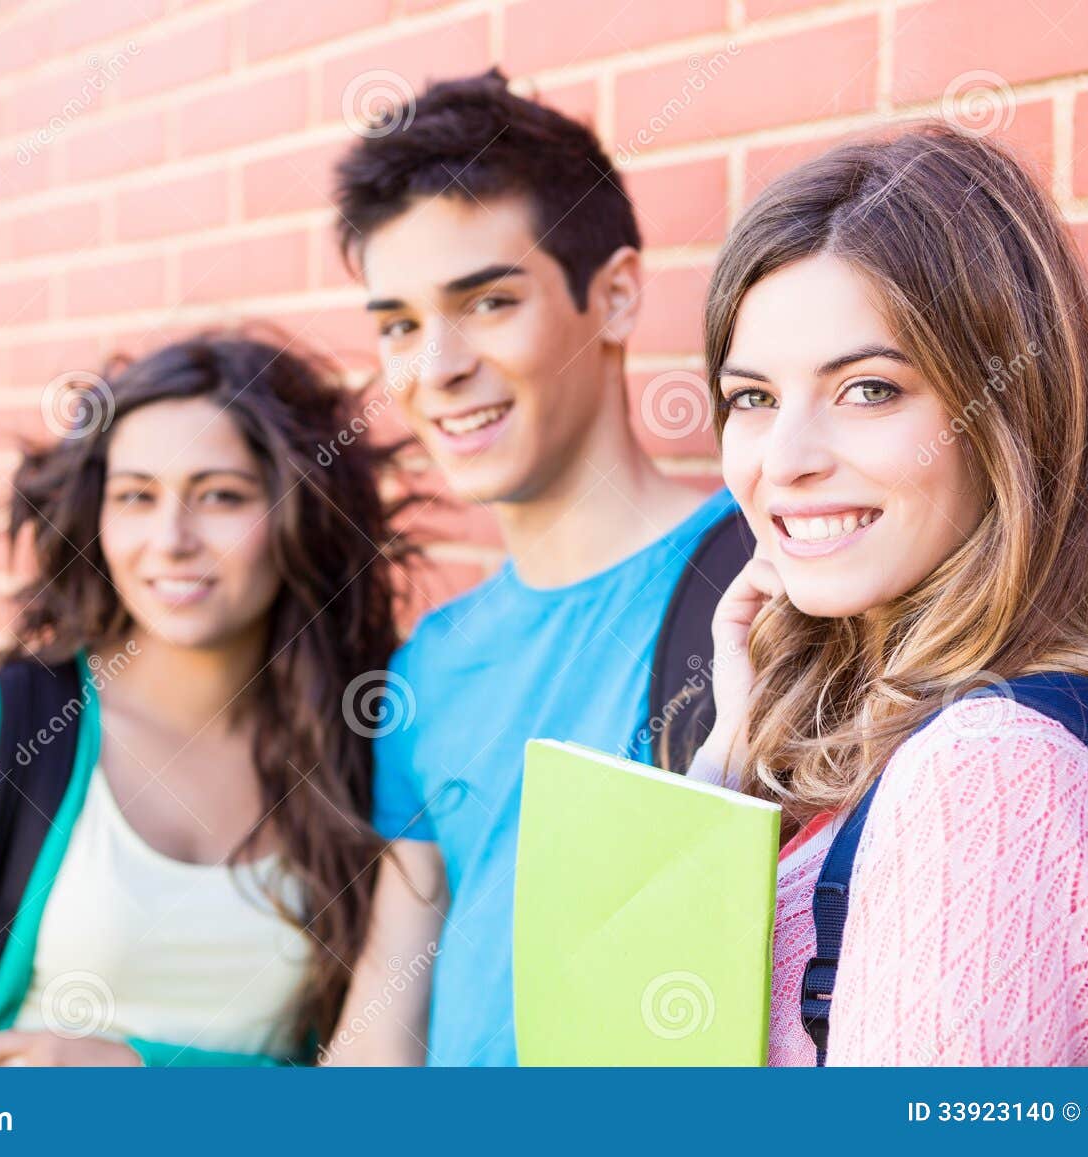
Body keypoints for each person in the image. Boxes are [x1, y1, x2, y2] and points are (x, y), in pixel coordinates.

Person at [690, 123, 1088, 1065]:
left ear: (1006, 415)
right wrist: (729, 755)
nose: (787, 462)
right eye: (754, 398)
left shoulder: (988, 781)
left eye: (869, 390)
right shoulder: (983, 736)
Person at [0, 332, 405, 1066]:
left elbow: (364, 1102)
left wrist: (141, 1071)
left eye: (219, 495)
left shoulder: (363, 751)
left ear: (299, 512)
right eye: (136, 496)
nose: (171, 538)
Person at [322, 69, 745, 1066]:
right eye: (399, 326)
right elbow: (387, 1016)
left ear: (616, 296)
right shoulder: (432, 662)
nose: (438, 367)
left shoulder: (766, 588)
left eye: (489, 300)